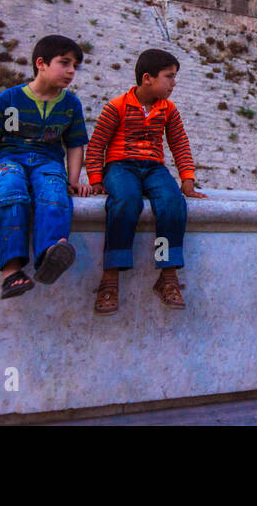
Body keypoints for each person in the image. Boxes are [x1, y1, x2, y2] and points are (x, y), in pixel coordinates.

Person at [0, 35, 91, 298]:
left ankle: (49, 254)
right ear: (41, 63)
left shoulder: (70, 105)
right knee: (10, 191)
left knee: (54, 193)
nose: (70, 71)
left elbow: (75, 145)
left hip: (48, 161)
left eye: (75, 66)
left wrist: (74, 180)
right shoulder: (10, 99)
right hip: (9, 159)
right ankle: (11, 272)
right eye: (64, 63)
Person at [86, 48, 207, 315]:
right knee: (126, 202)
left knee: (172, 203)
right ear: (147, 79)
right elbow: (97, 146)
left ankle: (167, 273)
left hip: (153, 168)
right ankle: (110, 278)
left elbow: (179, 144)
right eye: (169, 77)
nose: (174, 84)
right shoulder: (116, 106)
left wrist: (187, 178)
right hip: (120, 166)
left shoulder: (168, 109)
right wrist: (95, 179)